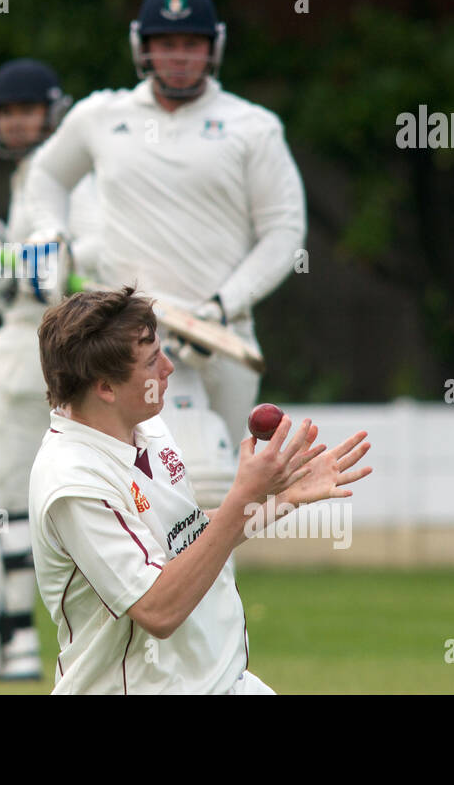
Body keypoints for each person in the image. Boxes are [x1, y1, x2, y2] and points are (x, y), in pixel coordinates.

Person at [23, 0, 307, 509]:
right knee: (159, 487)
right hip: (126, 340)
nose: (178, 56)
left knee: (224, 499)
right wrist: (50, 239)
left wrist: (222, 307)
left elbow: (285, 232)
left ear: (212, 47)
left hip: (220, 339)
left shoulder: (253, 127)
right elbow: (47, 178)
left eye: (191, 42)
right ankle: (147, 590)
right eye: (165, 42)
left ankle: (195, 593)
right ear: (142, 46)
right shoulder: (101, 116)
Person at [29, 286, 371, 694]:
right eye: (153, 360)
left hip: (221, 682)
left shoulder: (148, 428)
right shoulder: (72, 479)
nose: (170, 368)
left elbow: (187, 536)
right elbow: (157, 609)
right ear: (105, 387)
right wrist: (242, 499)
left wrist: (278, 500)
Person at [0, 58, 95, 682]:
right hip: (55, 347)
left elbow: (52, 275)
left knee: (4, 502)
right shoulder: (33, 178)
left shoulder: (60, 176)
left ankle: (15, 651)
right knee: (7, 501)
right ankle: (14, 647)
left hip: (36, 350)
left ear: (53, 113)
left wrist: (0, 260)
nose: (16, 123)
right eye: (7, 112)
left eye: (27, 111)